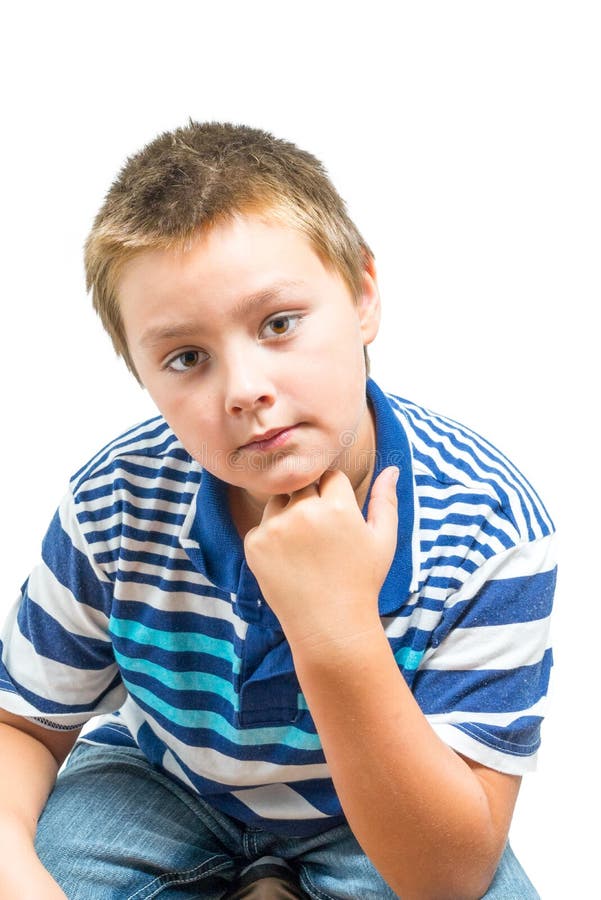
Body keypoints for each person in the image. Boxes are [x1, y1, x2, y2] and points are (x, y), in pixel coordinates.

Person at [0, 121, 556, 899]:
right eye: (186, 358)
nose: (243, 390)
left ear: (362, 295)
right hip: (169, 783)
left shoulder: (487, 524)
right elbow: (24, 723)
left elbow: (446, 878)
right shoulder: (113, 501)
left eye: (278, 324)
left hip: (379, 809)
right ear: (139, 373)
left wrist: (335, 628)